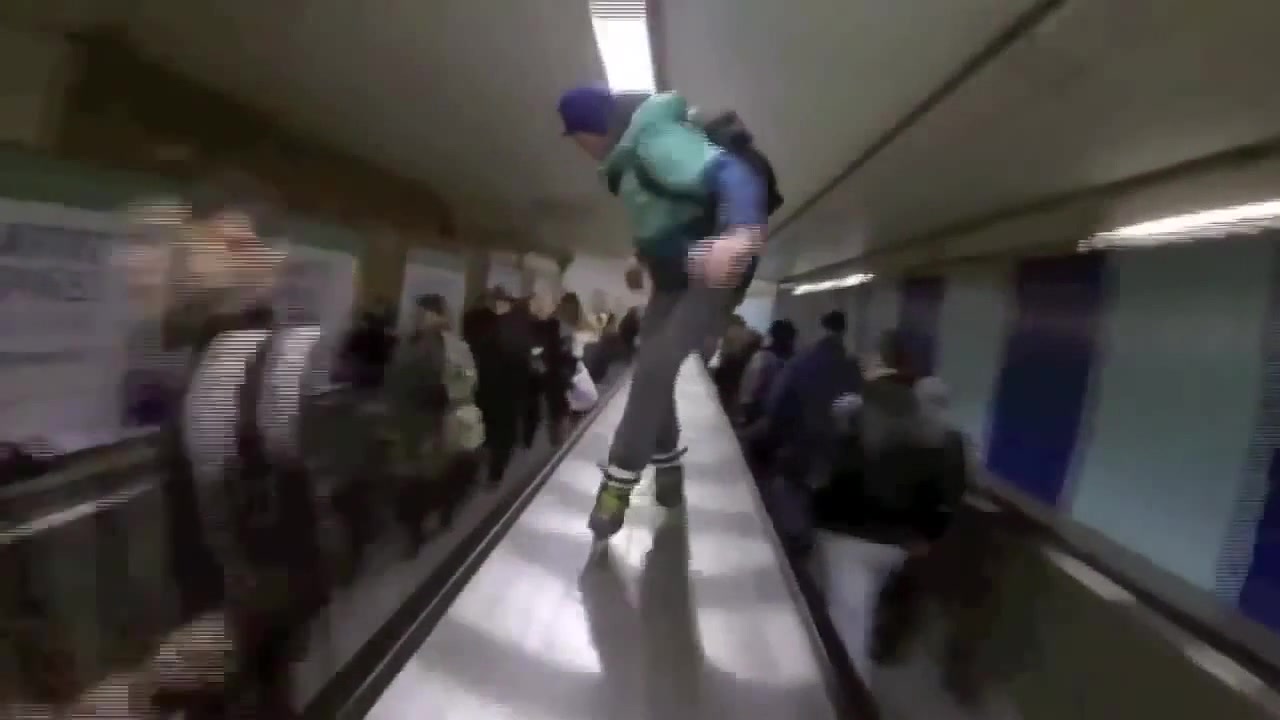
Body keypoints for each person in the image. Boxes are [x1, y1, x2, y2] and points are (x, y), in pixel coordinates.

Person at [558, 86, 778, 539]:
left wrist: (739, 234)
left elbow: (734, 176)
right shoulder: (628, 160)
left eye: (575, 137)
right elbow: (664, 212)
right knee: (648, 360)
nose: (579, 149)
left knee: (658, 363)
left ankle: (618, 482)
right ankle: (669, 468)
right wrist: (645, 259)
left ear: (588, 130)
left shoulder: (654, 137)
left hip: (712, 270)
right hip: (677, 274)